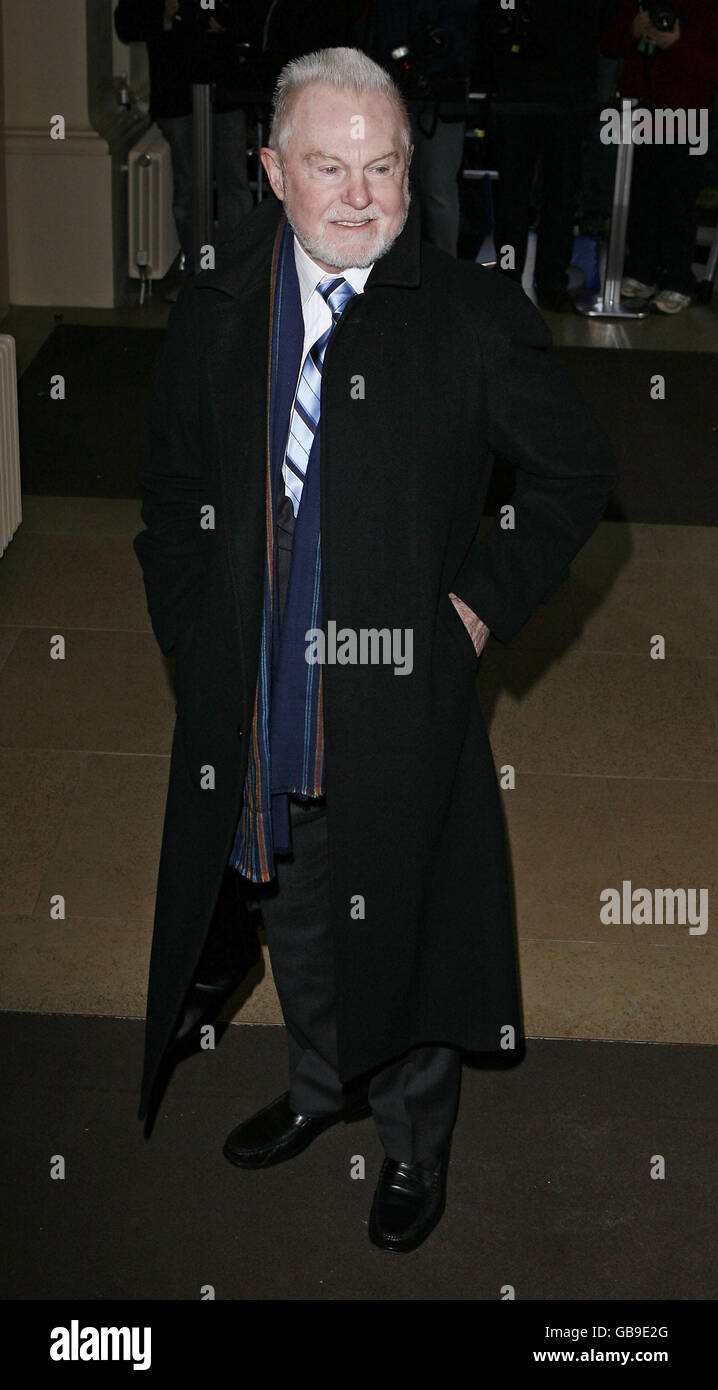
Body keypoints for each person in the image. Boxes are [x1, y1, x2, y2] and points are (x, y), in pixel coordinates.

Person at [134, 45, 618, 1252]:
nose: (357, 195)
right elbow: (176, 498)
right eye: (325, 166)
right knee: (287, 897)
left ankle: (411, 1142)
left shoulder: (468, 320)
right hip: (255, 682)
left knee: (398, 912)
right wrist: (196, 641)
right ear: (271, 172)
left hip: (396, 694)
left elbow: (572, 475)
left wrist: (473, 606)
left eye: (383, 166)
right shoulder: (220, 307)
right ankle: (318, 1083)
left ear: (414, 169)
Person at [114, 0, 260, 274]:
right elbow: (126, 25)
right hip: (176, 95)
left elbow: (255, 18)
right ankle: (198, 271)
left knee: (234, 184)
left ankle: (233, 270)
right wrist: (165, 12)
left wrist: (226, 22)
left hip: (225, 91)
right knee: (189, 187)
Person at [481, 0, 610, 312]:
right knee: (514, 195)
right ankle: (509, 276)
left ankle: (551, 280)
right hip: (518, 89)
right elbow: (493, 18)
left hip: (568, 90)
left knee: (561, 194)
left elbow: (597, 22)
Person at [601, 0, 718, 314]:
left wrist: (676, 45)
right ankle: (641, 271)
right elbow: (609, 45)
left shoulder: (706, 10)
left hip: (689, 113)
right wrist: (632, 30)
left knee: (678, 199)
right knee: (640, 194)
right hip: (638, 109)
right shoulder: (639, 2)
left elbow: (710, 66)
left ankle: (678, 279)